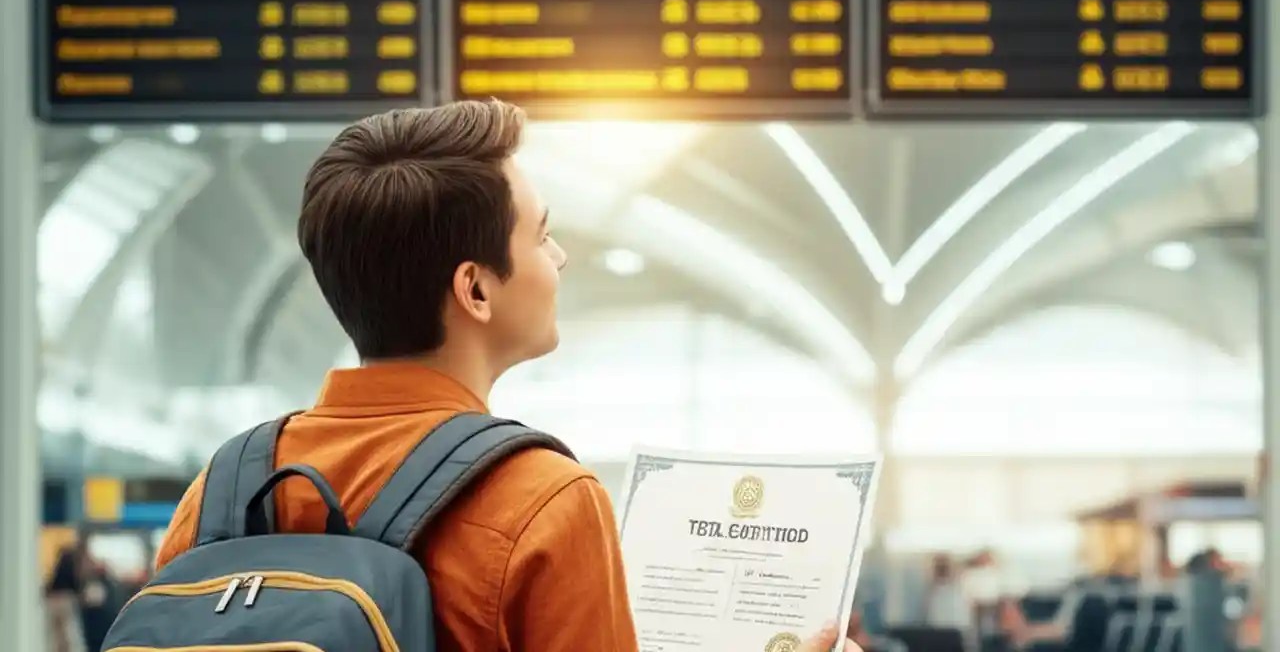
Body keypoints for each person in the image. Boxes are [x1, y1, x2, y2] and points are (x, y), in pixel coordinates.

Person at [151, 101, 859, 651]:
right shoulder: (542, 500)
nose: (559, 259)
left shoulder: (223, 492)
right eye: (541, 236)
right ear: (476, 290)